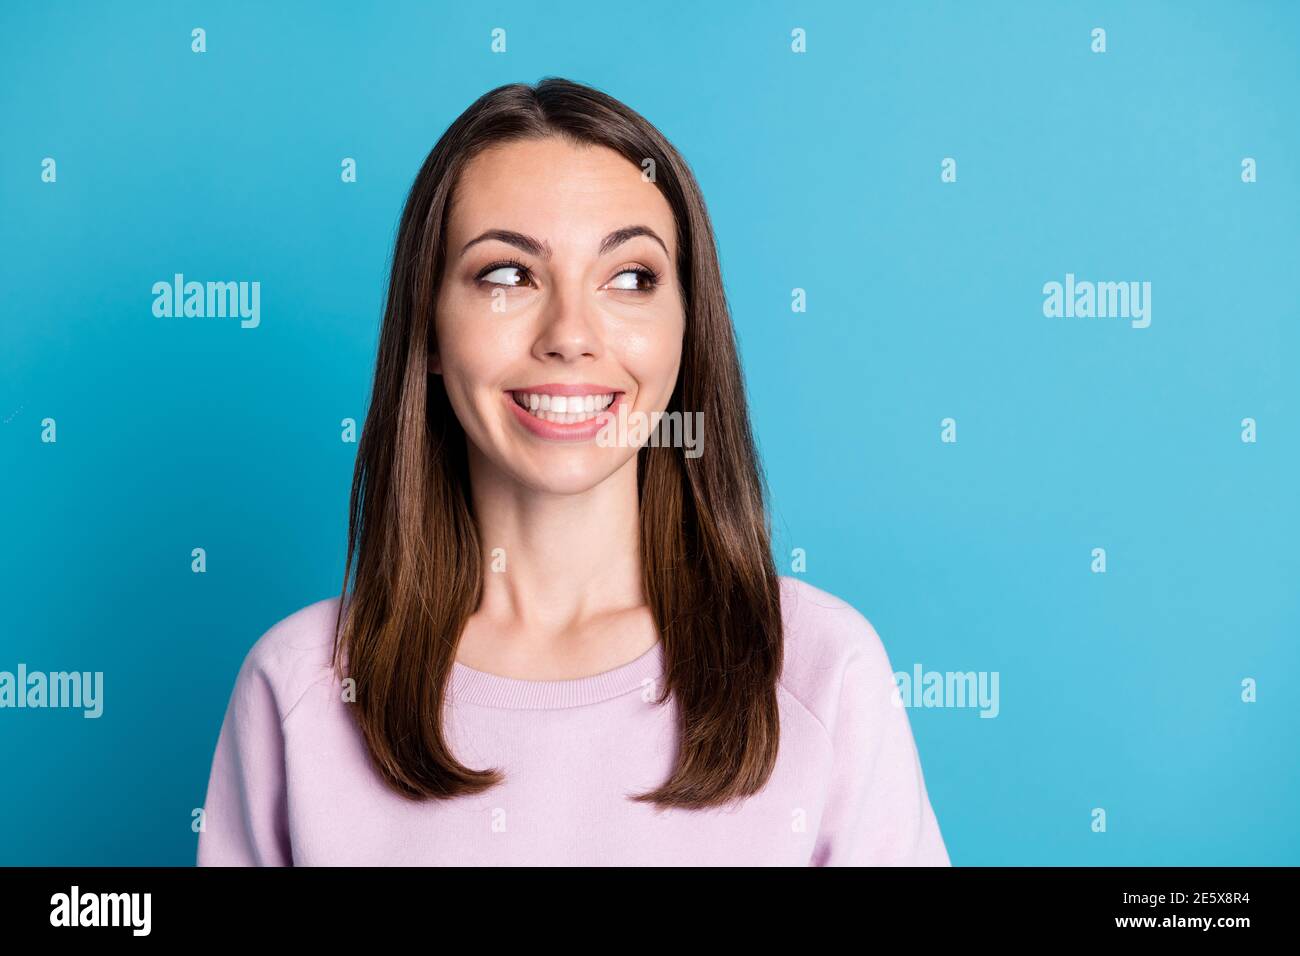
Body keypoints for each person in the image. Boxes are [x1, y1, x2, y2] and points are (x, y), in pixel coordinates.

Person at [196, 77, 950, 866]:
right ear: (426, 331)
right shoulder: (298, 689)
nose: (571, 335)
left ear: (687, 329)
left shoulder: (824, 672)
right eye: (506, 275)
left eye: (630, 278)